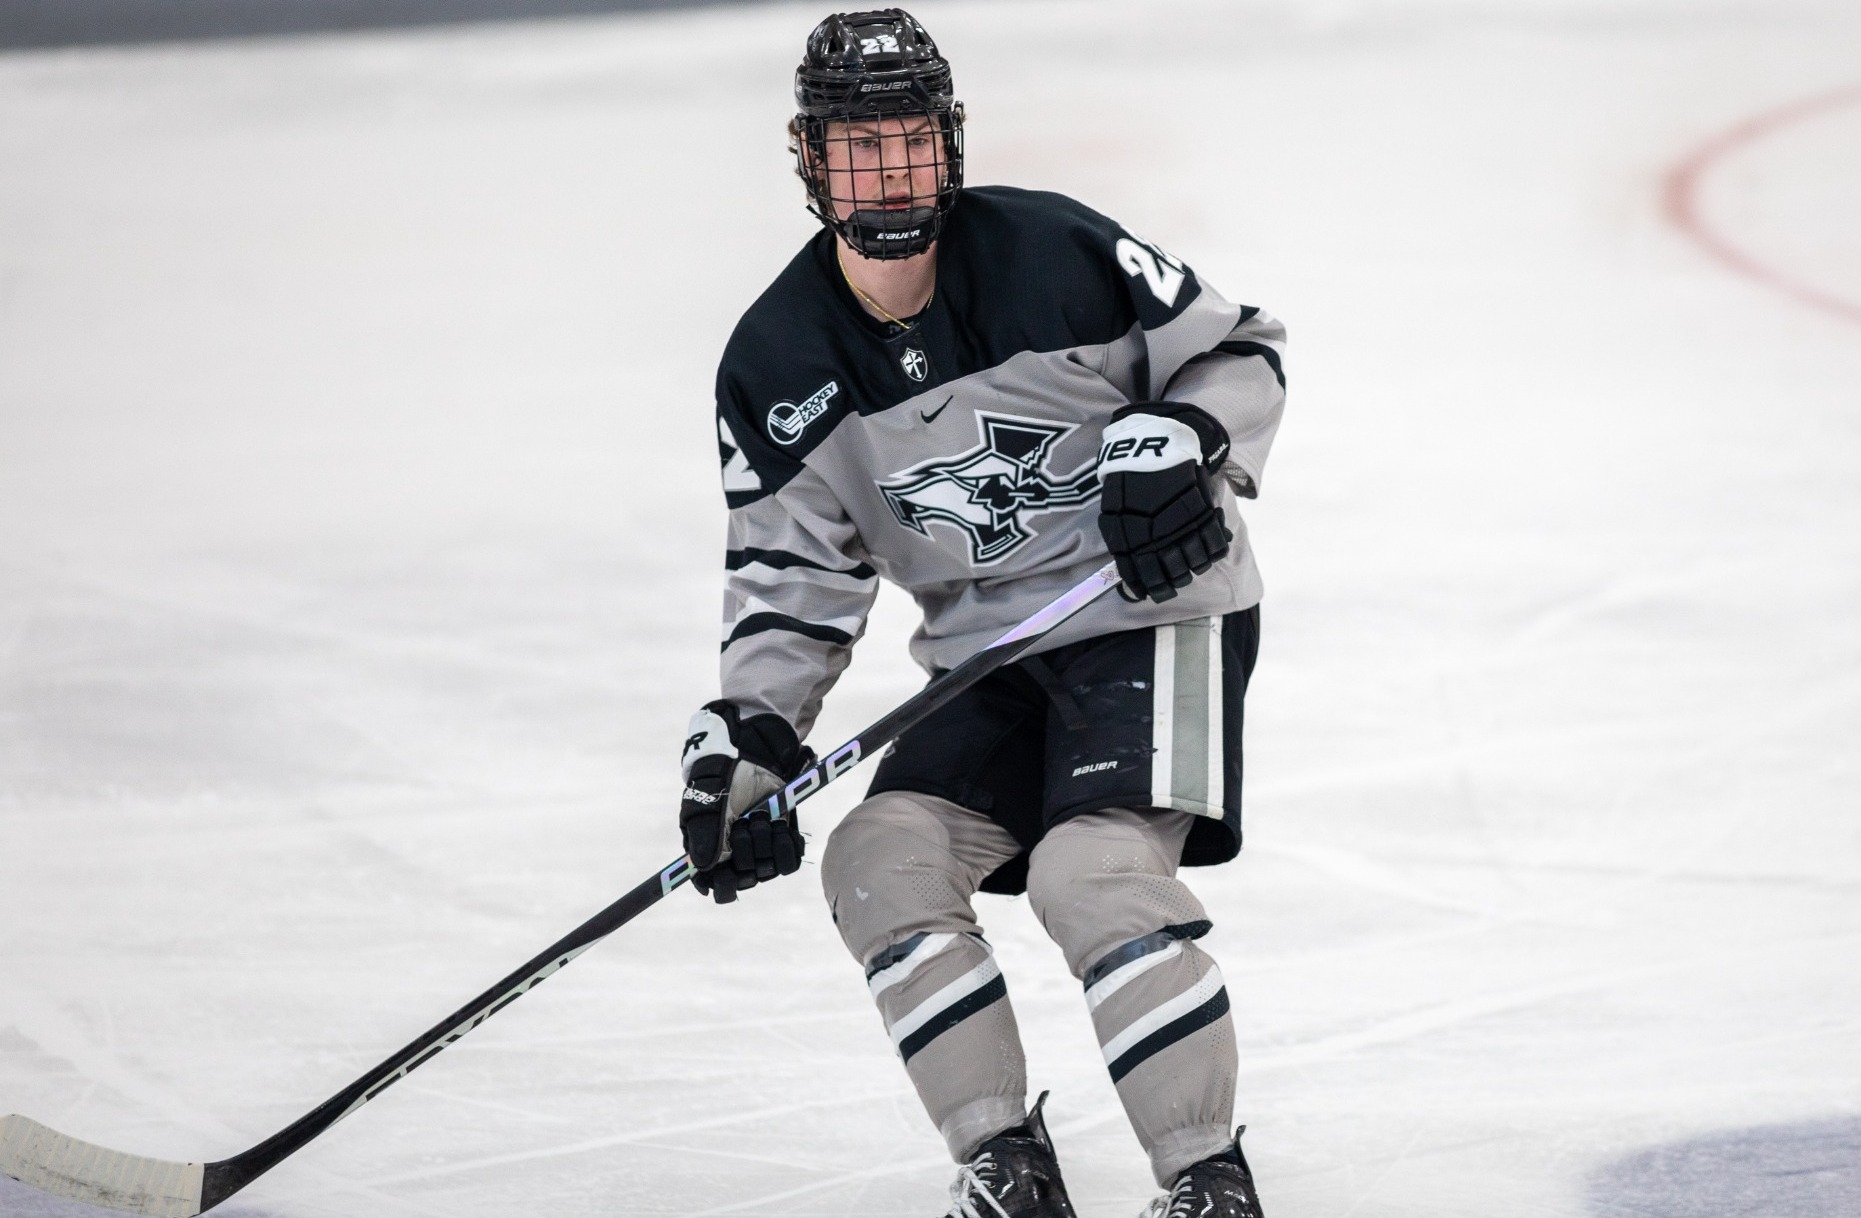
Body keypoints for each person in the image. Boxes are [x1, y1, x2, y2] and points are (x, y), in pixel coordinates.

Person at [674, 9, 1285, 1217]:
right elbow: (793, 580)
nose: (889, 174)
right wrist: (748, 736)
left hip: (1151, 610)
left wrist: (1185, 432)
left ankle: (1207, 1180)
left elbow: (1241, 352)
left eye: (908, 143)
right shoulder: (775, 361)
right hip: (987, 661)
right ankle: (1006, 1167)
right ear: (809, 160)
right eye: (859, 149)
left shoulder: (1054, 250)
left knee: (1091, 870)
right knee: (877, 857)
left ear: (948, 145)